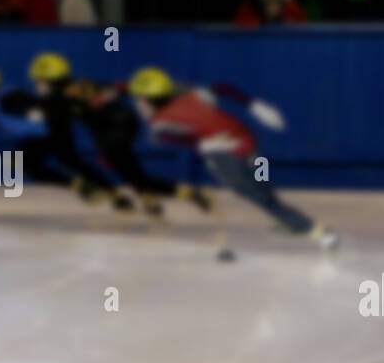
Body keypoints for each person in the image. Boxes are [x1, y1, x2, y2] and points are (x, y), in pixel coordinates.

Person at [127, 66, 337, 248]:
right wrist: (255, 105)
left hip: (224, 156)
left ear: (146, 100)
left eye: (138, 100)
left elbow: (173, 138)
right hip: (248, 142)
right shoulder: (194, 97)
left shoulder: (160, 125)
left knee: (254, 194)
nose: (137, 105)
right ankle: (289, 221)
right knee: (260, 185)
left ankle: (314, 230)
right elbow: (222, 87)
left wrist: (201, 141)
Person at [27, 53, 212, 217]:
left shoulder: (56, 98)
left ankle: (184, 193)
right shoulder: (79, 86)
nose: (37, 86)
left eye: (38, 82)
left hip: (113, 127)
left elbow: (59, 136)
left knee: (125, 169)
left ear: (47, 81)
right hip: (120, 123)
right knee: (128, 170)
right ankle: (148, 197)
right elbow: (121, 87)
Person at [0, 63, 131, 209]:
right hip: (45, 131)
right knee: (62, 162)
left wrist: (41, 112)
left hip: (48, 130)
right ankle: (99, 190)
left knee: (57, 162)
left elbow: (27, 104)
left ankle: (88, 188)